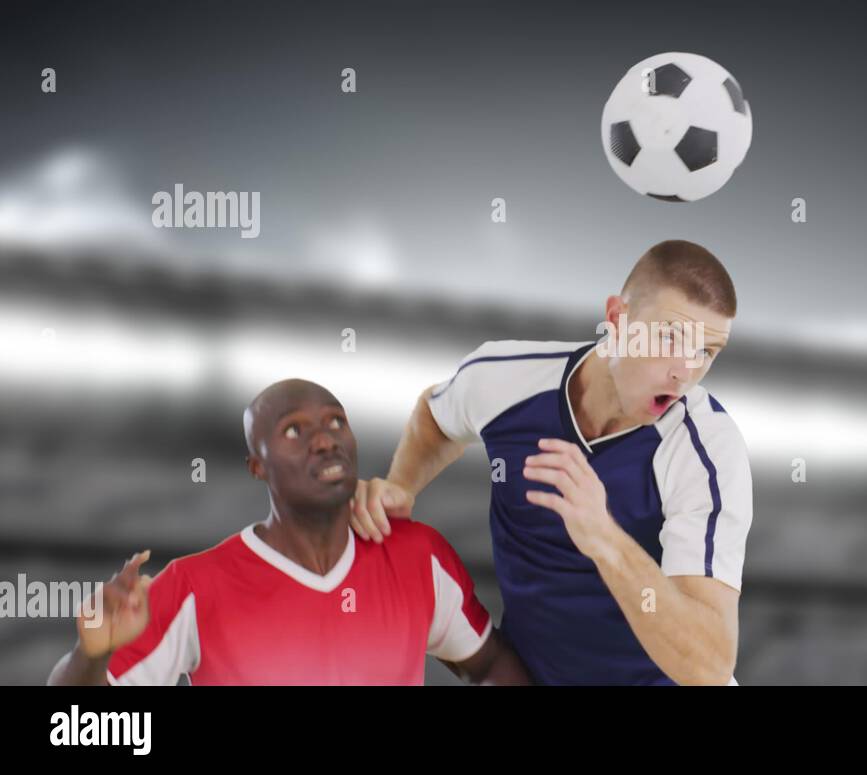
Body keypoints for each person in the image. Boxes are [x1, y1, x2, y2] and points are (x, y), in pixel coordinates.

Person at [352, 240, 753, 685]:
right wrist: (403, 485)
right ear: (618, 319)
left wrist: (604, 539)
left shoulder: (708, 449)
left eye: (708, 351)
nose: (686, 370)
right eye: (671, 337)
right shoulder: (505, 378)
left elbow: (710, 663)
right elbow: (436, 414)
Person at [49, 379, 530, 685]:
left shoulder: (416, 555)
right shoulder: (194, 586)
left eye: (336, 422)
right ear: (257, 466)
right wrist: (92, 656)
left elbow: (490, 665)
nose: (325, 439)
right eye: (294, 431)